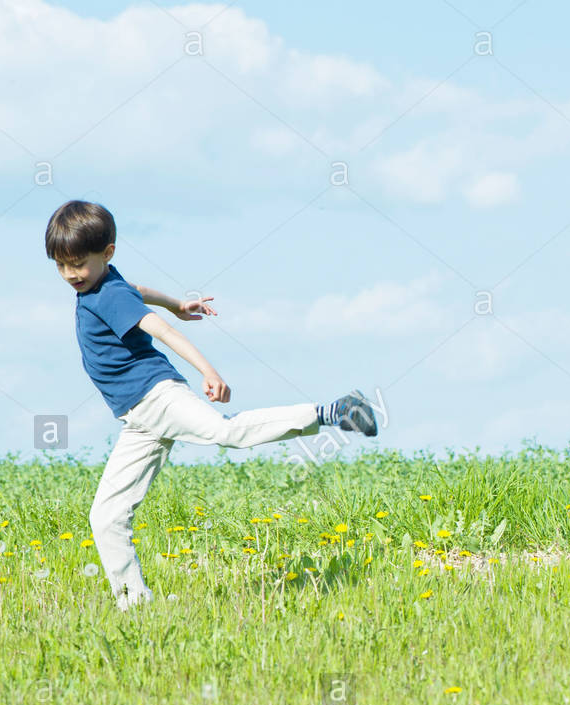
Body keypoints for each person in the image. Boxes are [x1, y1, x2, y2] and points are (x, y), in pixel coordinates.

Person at [46, 200, 377, 611]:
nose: (69, 275)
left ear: (107, 253)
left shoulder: (106, 295)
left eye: (77, 264)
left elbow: (160, 330)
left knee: (227, 432)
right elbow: (138, 292)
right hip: (139, 420)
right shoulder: (106, 285)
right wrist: (177, 303)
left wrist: (209, 371)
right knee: (105, 517)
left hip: (158, 397)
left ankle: (333, 411)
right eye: (61, 266)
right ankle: (136, 608)